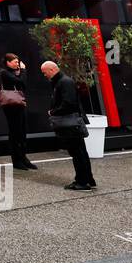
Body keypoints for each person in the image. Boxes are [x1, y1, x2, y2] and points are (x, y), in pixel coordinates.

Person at [41, 60, 97, 191]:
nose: (44, 75)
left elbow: (69, 103)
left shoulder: (64, 82)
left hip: (70, 123)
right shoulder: (62, 81)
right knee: (80, 152)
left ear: (52, 70)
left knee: (77, 153)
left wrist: (53, 111)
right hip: (72, 123)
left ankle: (82, 182)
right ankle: (87, 179)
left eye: (45, 73)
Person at [0, 53, 37, 170]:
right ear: (7, 62)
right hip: (10, 106)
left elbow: (23, 85)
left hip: (19, 104)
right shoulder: (3, 72)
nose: (17, 64)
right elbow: (20, 82)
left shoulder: (15, 72)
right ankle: (17, 160)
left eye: (18, 62)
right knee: (15, 132)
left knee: (22, 131)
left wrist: (20, 72)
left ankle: (24, 158)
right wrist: (23, 71)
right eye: (15, 62)